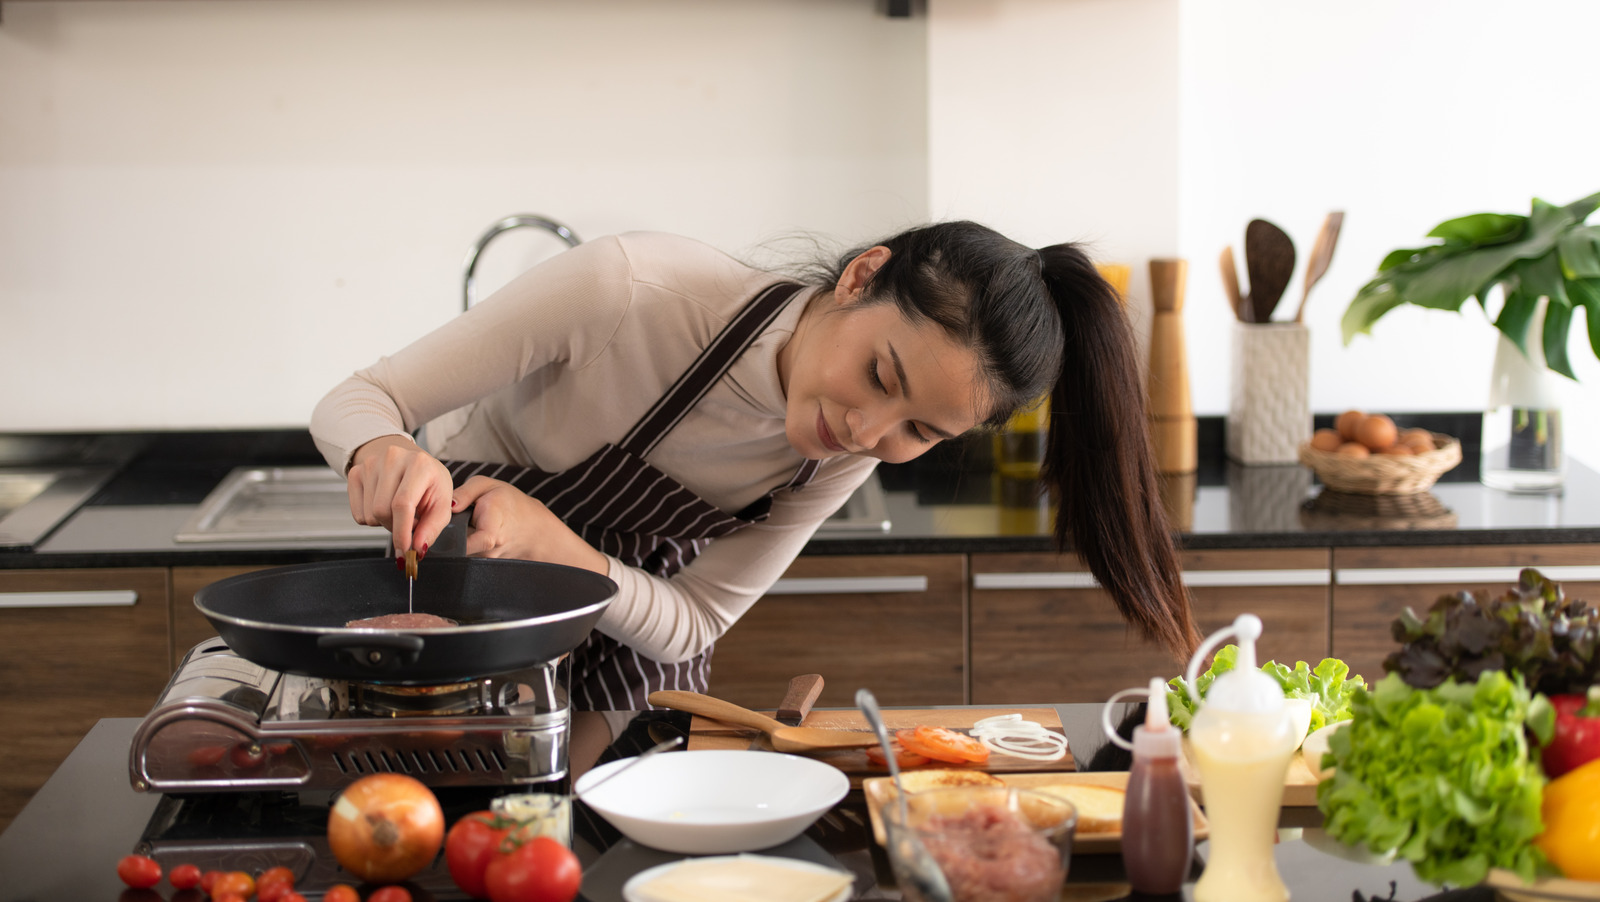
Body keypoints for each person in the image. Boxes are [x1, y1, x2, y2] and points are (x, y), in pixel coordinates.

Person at [310, 223, 1199, 710]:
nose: (864, 431)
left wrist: (565, 552)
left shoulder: (840, 454)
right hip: (471, 600)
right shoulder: (628, 291)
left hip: (626, 659)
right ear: (860, 277)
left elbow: (694, 621)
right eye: (880, 376)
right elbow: (359, 398)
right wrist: (386, 448)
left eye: (919, 431)